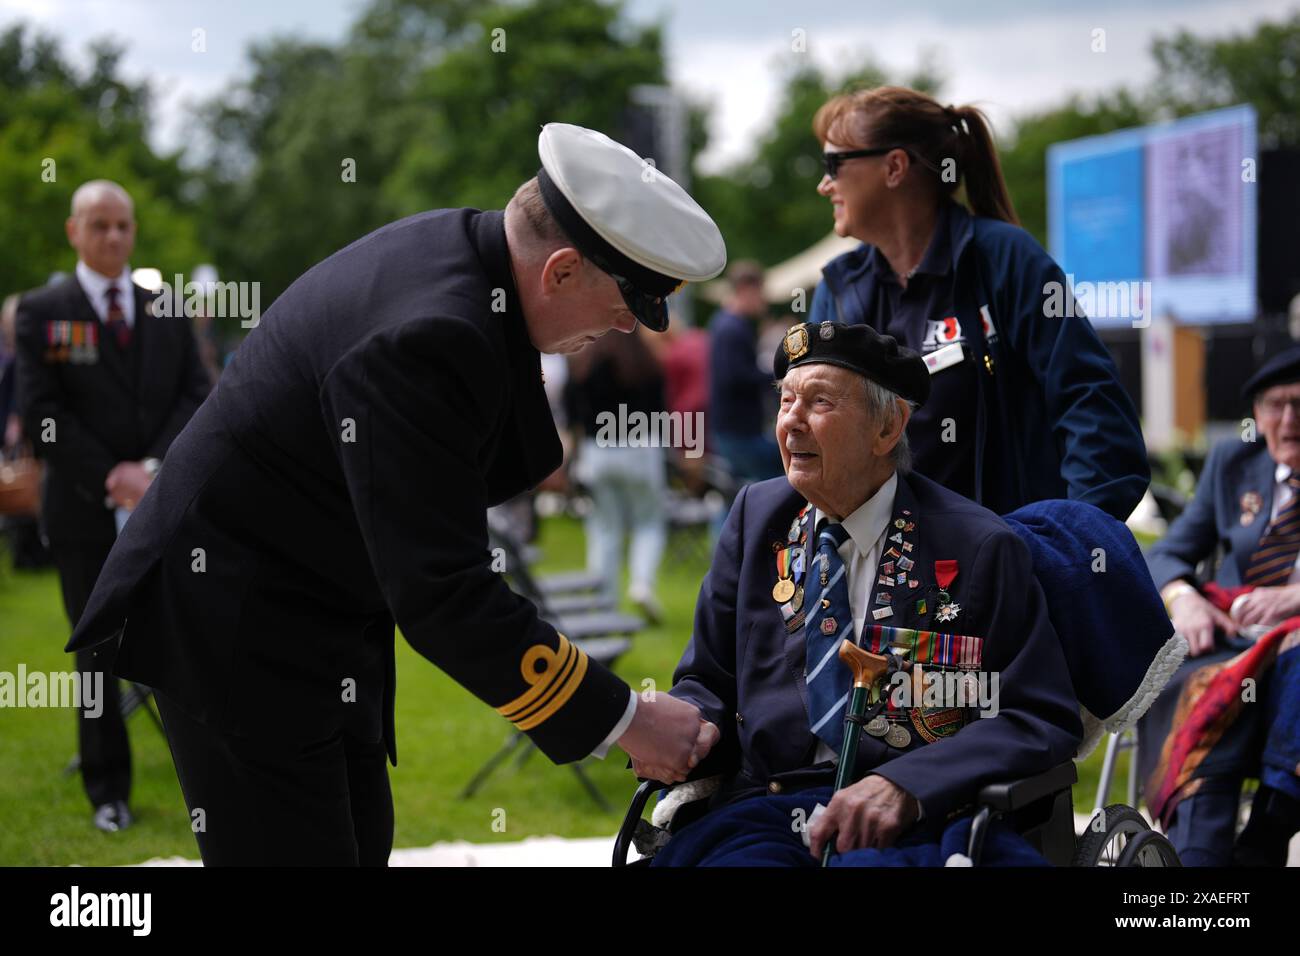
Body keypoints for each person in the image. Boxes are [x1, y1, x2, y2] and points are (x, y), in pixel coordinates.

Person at [65, 124, 726, 865]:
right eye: (627, 301)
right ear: (563, 270)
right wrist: (627, 719)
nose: (628, 326)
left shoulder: (465, 264)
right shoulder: (433, 332)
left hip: (302, 614)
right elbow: (442, 593)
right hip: (233, 629)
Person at [642, 320, 1081, 866]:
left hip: (917, 818)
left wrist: (907, 785)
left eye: (819, 402)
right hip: (769, 811)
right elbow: (708, 679)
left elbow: (1036, 716)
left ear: (888, 428)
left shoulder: (978, 546)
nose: (791, 423)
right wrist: (688, 720)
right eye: (785, 402)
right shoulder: (757, 518)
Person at [807, 86, 1148, 521]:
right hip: (889, 580)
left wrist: (1061, 546)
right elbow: (815, 443)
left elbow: (1095, 413)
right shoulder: (837, 288)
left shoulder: (1007, 259)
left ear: (894, 166)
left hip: (1007, 569)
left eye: (834, 164)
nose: (824, 184)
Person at [14, 180, 211, 833]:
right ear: (74, 231)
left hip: (165, 505)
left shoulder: (165, 305)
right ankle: (109, 792)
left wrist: (150, 470)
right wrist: (112, 476)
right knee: (98, 657)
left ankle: (209, 784)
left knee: (188, 645)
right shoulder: (43, 312)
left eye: (123, 225)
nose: (113, 237)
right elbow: (43, 415)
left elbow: (195, 394)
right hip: (81, 513)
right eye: (99, 225)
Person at [1141, 347, 1300, 866]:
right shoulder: (1235, 464)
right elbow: (1167, 552)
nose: (1289, 420)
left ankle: (1269, 830)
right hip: (1226, 653)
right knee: (1203, 701)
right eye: (1276, 405)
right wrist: (1184, 599)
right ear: (1258, 414)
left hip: (1292, 670)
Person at [564, 325, 668, 622]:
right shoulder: (646, 362)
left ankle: (602, 596)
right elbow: (662, 412)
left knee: (603, 528)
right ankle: (642, 583)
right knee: (648, 523)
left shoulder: (585, 364)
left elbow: (573, 416)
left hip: (597, 452)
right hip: (640, 449)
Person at [708, 260, 781, 483]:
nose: (763, 299)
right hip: (739, 432)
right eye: (760, 292)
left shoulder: (723, 323)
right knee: (773, 483)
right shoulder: (733, 328)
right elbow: (736, 377)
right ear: (745, 290)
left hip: (730, 430)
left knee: (736, 492)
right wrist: (776, 375)